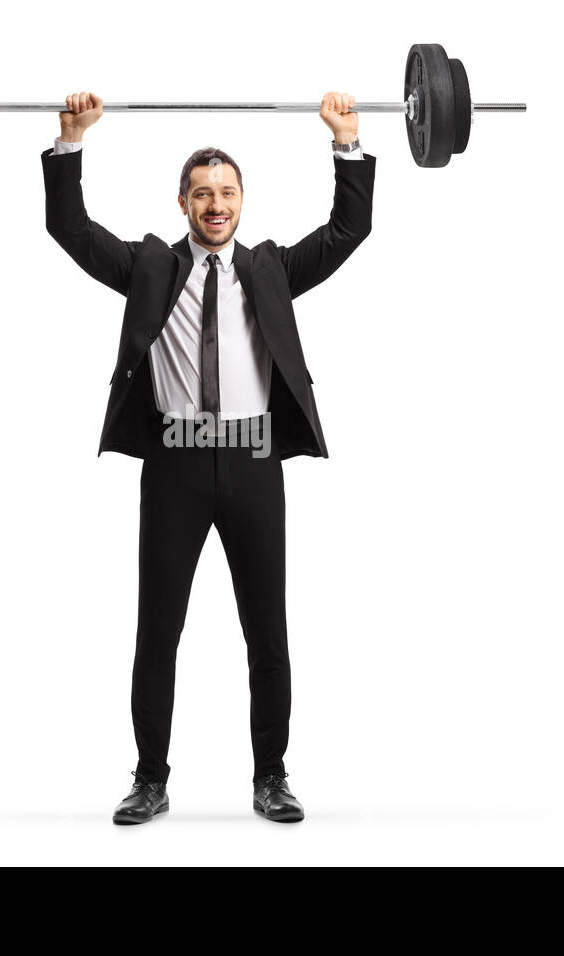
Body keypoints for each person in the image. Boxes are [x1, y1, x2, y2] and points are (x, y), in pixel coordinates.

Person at [41, 89, 375, 824]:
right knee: (158, 629)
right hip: (176, 465)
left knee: (268, 629)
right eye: (202, 194)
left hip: (254, 462)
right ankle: (151, 778)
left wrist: (345, 143)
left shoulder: (271, 268)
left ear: (242, 201)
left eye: (226, 192)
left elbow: (350, 229)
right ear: (184, 203)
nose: (215, 204)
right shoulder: (150, 266)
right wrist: (71, 142)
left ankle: (271, 776)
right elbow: (68, 227)